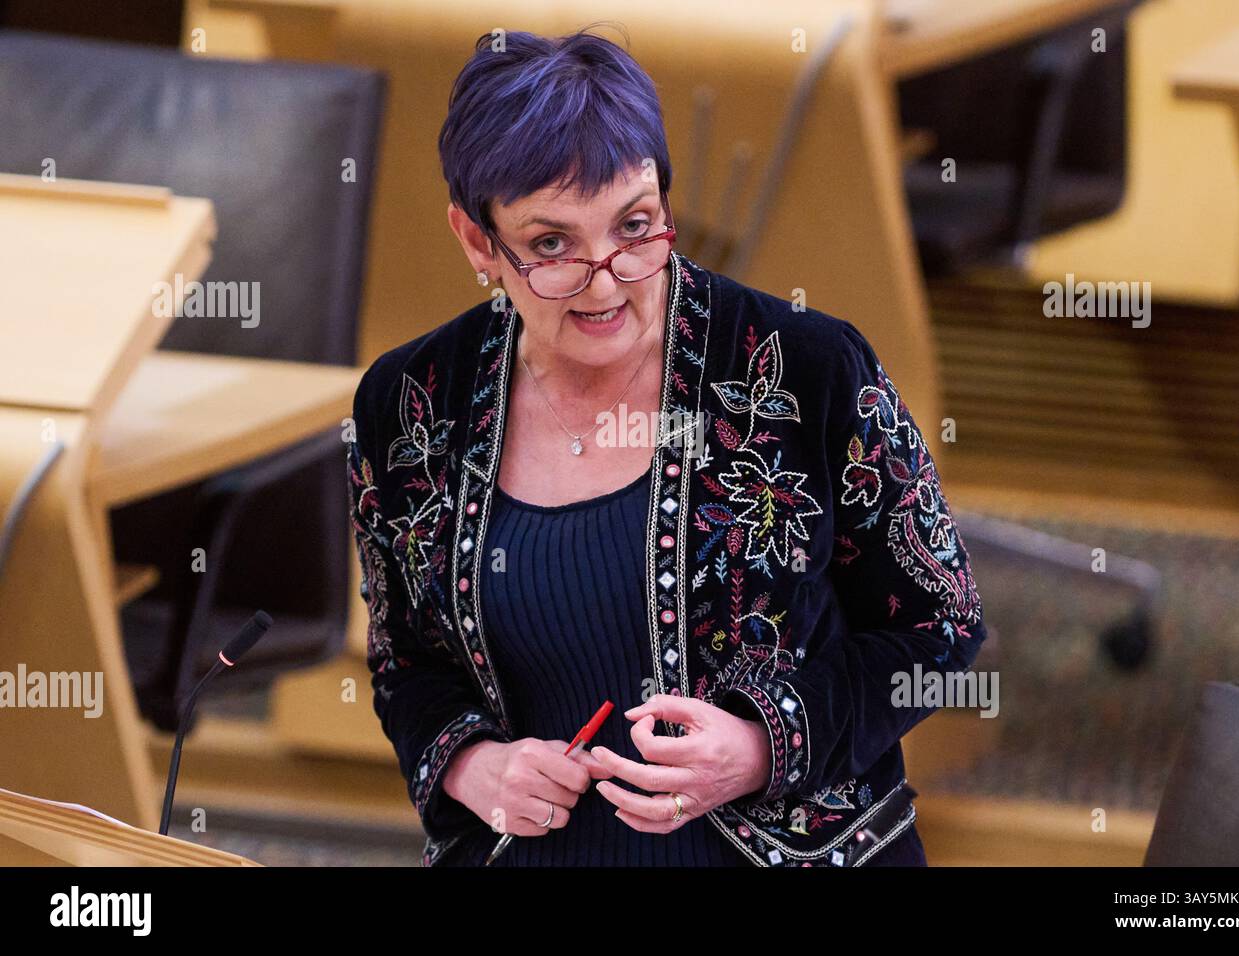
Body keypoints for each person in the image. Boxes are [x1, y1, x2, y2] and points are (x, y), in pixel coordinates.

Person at [346, 25, 987, 867]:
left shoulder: (806, 369)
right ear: (478, 242)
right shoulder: (410, 405)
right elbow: (405, 661)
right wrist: (471, 764)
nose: (605, 277)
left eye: (635, 226)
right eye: (551, 245)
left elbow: (943, 631)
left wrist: (763, 746)